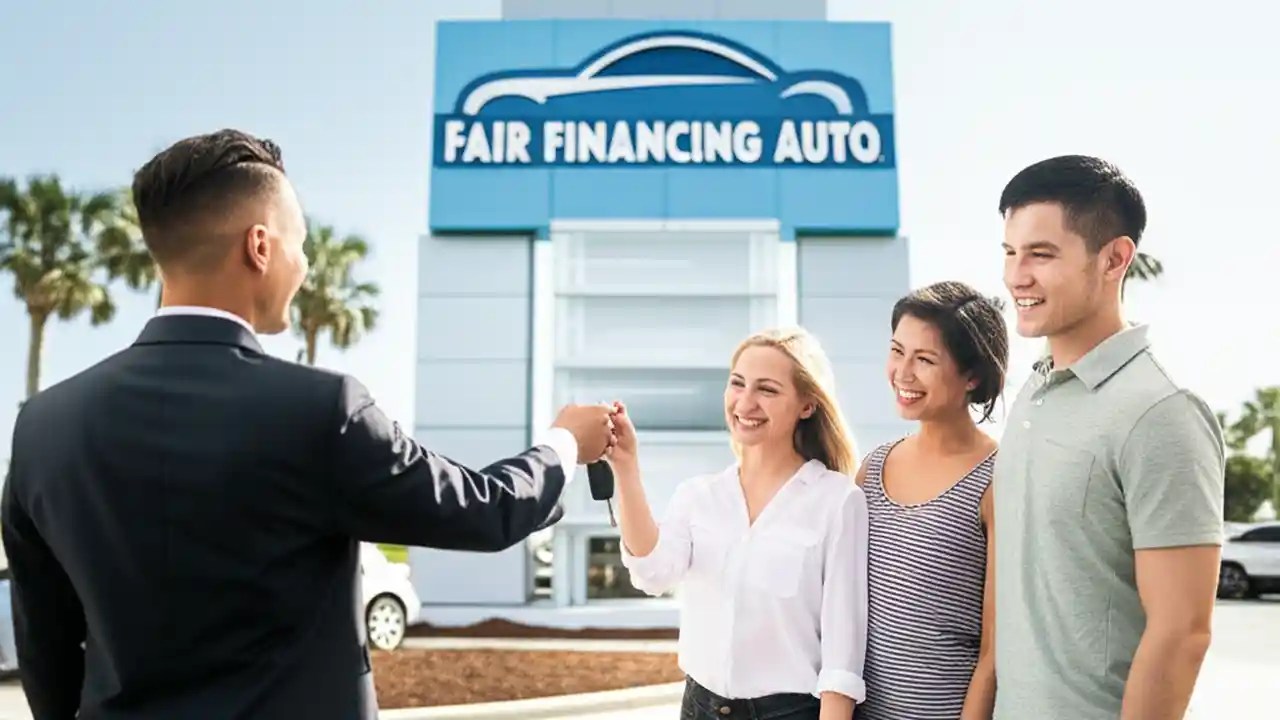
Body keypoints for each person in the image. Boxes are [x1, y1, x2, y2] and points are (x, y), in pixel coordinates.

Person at [0, 128, 618, 720]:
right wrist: (564, 443)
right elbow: (483, 511)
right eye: (301, 245)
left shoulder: (43, 428)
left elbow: (46, 647)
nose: (304, 266)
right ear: (260, 246)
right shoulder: (320, 411)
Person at [994, 155, 1225, 719]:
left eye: (1041, 255)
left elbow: (1182, 633)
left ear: (1115, 259)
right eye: (1009, 252)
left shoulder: (1161, 411)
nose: (1015, 276)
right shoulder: (1036, 390)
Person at [610, 327, 869, 720]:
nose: (745, 402)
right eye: (737, 383)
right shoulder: (699, 495)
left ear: (807, 405)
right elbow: (651, 574)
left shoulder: (837, 500)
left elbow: (842, 658)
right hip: (699, 708)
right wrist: (625, 467)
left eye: (767, 389)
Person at [854, 281, 1008, 720]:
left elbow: (994, 652)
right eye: (898, 351)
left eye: (925, 360)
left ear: (972, 376)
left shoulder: (999, 479)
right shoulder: (872, 468)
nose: (903, 373)